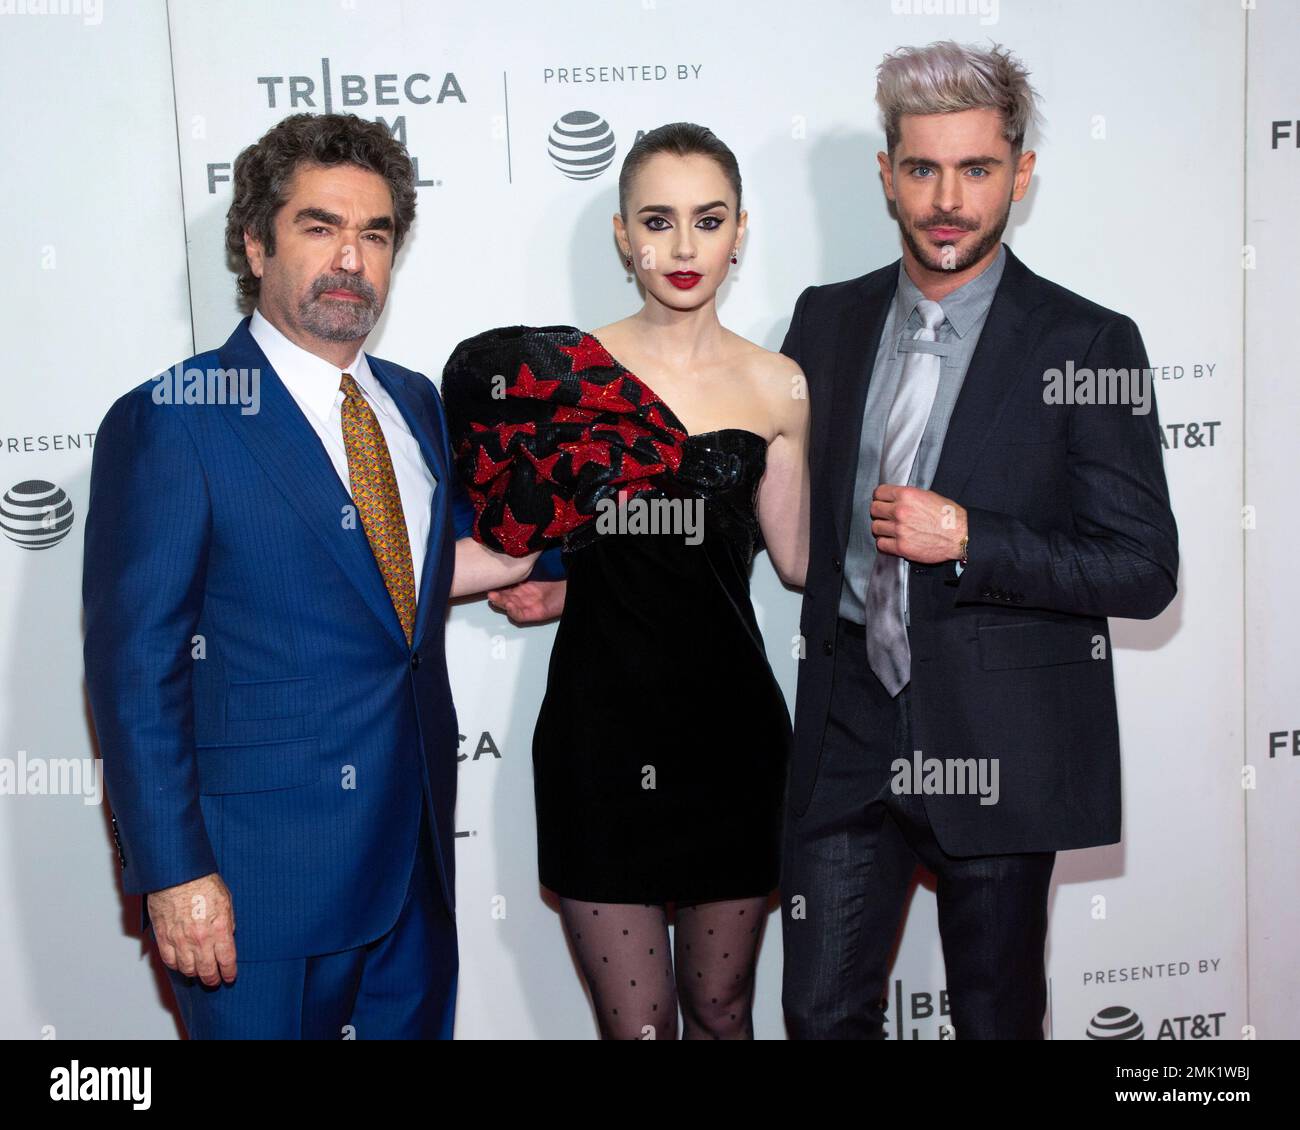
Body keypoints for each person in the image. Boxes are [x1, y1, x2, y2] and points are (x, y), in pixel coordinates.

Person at [82, 112, 536, 1039]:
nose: (351, 259)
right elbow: (135, 671)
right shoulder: (175, 419)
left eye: (375, 234)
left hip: (411, 867)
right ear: (255, 243)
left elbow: (386, 582)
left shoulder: (413, 402)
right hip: (256, 888)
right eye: (320, 227)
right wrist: (172, 873)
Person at [778, 41, 1179, 1039]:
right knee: (819, 1015)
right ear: (885, 175)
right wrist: (573, 568)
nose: (946, 198)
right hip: (846, 731)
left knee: (998, 1019)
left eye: (976, 168)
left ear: (1021, 174)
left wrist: (969, 536)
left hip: (1002, 735)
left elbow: (1143, 567)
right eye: (921, 169)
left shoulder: (1088, 343)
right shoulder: (823, 323)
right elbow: (735, 483)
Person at [441, 122, 809, 1039]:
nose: (684, 248)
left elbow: (797, 561)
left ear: (740, 231)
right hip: (600, 742)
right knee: (638, 1025)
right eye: (658, 221)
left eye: (708, 220)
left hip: (731, 740)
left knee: (722, 1012)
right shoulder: (559, 380)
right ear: (621, 235)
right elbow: (510, 549)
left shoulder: (778, 385)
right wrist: (343, 573)